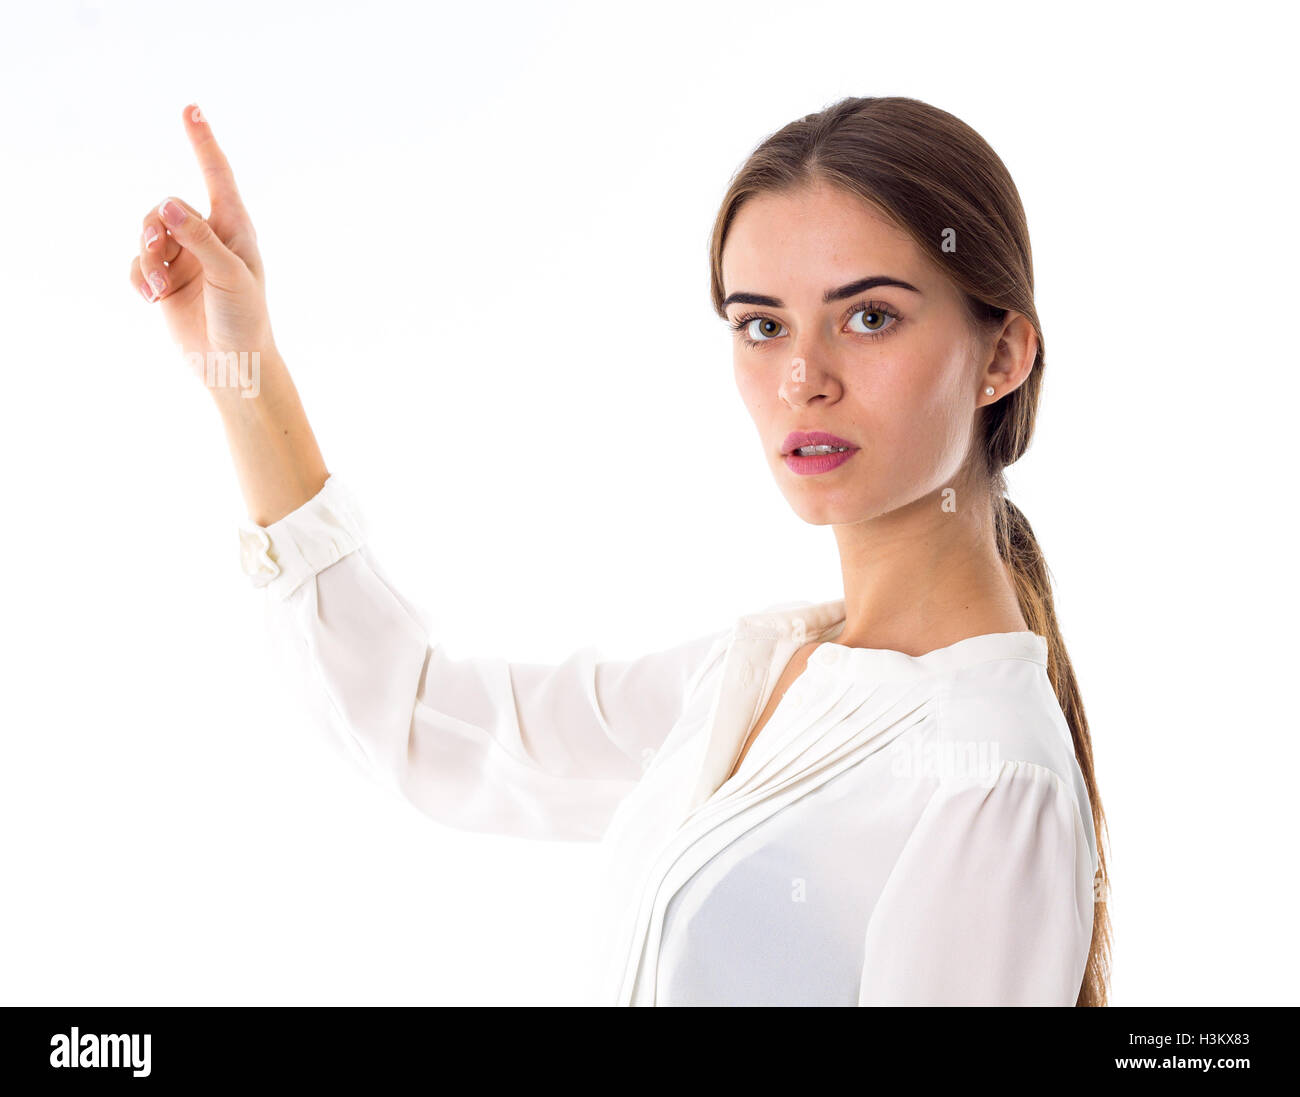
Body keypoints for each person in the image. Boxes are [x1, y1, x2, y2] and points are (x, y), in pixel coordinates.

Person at [129, 97, 1111, 1006]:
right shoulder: (757, 673)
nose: (802, 377)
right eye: (761, 325)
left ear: (1001, 355)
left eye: (868, 316)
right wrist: (241, 369)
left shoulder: (991, 774)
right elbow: (421, 721)